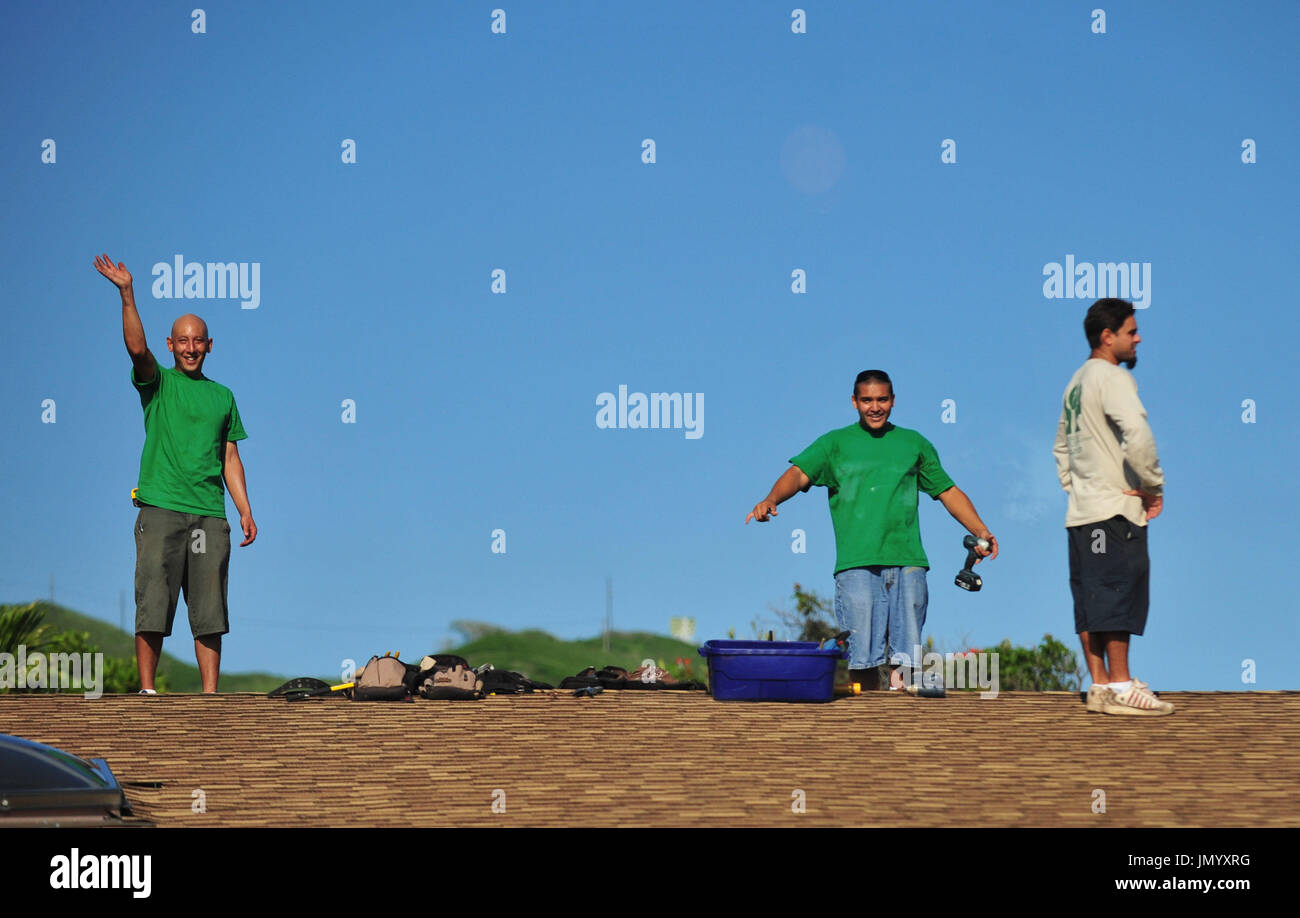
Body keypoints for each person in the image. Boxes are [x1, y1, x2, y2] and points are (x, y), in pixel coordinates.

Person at [746, 370, 997, 691]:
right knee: (862, 660)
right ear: (854, 402)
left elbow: (948, 492)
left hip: (908, 563)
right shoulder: (834, 444)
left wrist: (981, 530)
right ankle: (868, 729)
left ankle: (902, 729)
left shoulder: (914, 443)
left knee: (905, 666)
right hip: (856, 566)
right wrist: (771, 498)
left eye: (882, 399)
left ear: (893, 401)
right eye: (867, 400)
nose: (874, 407)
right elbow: (797, 474)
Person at [94, 253, 257, 694]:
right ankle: (148, 692)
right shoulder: (158, 383)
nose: (190, 347)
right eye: (183, 341)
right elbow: (135, 349)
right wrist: (128, 293)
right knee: (154, 600)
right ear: (171, 345)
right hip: (162, 508)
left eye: (198, 341)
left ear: (209, 345)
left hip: (209, 514)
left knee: (209, 610)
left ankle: (209, 698)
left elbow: (230, 457)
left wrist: (244, 509)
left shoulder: (223, 396)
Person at [1054, 298, 1171, 715]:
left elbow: (1061, 449)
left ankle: (1101, 685)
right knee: (1116, 591)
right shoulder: (1111, 377)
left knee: (1091, 595)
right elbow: (1137, 433)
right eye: (1131, 331)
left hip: (1084, 512)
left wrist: (1081, 489)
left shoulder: (1076, 382)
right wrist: (1152, 486)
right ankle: (1122, 686)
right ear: (1108, 336)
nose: (1138, 339)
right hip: (1114, 511)